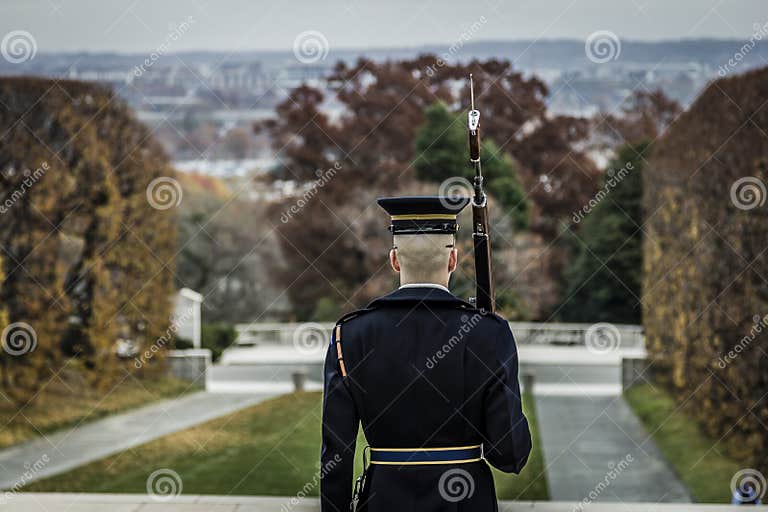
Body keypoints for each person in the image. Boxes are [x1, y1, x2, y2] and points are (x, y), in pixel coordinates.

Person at [320, 196, 531, 512]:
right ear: (453, 260)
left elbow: (336, 456)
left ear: (394, 260)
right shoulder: (489, 333)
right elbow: (511, 454)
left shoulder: (349, 335)